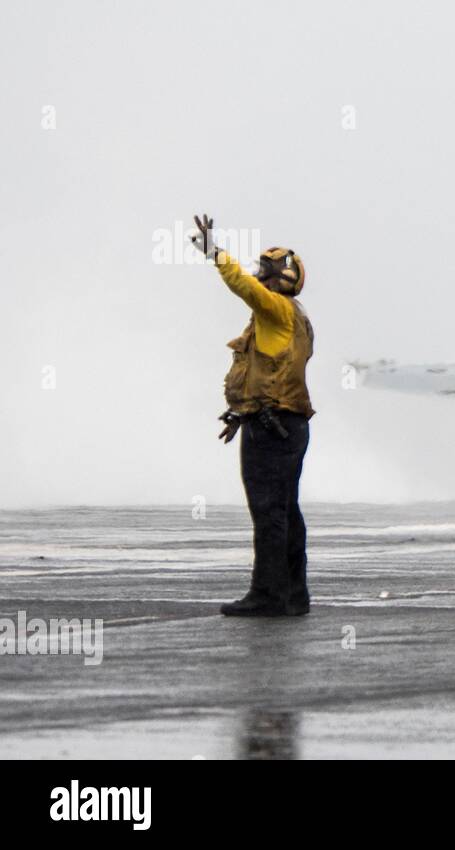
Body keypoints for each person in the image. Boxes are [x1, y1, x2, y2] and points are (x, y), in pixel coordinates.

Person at [190, 215, 315, 616]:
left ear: (278, 278)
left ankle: (268, 595)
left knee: (268, 511)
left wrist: (215, 254)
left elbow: (242, 286)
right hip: (288, 425)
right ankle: (294, 594)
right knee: (285, 509)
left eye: (265, 270)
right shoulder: (296, 318)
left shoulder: (276, 311)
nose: (258, 277)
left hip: (270, 427)